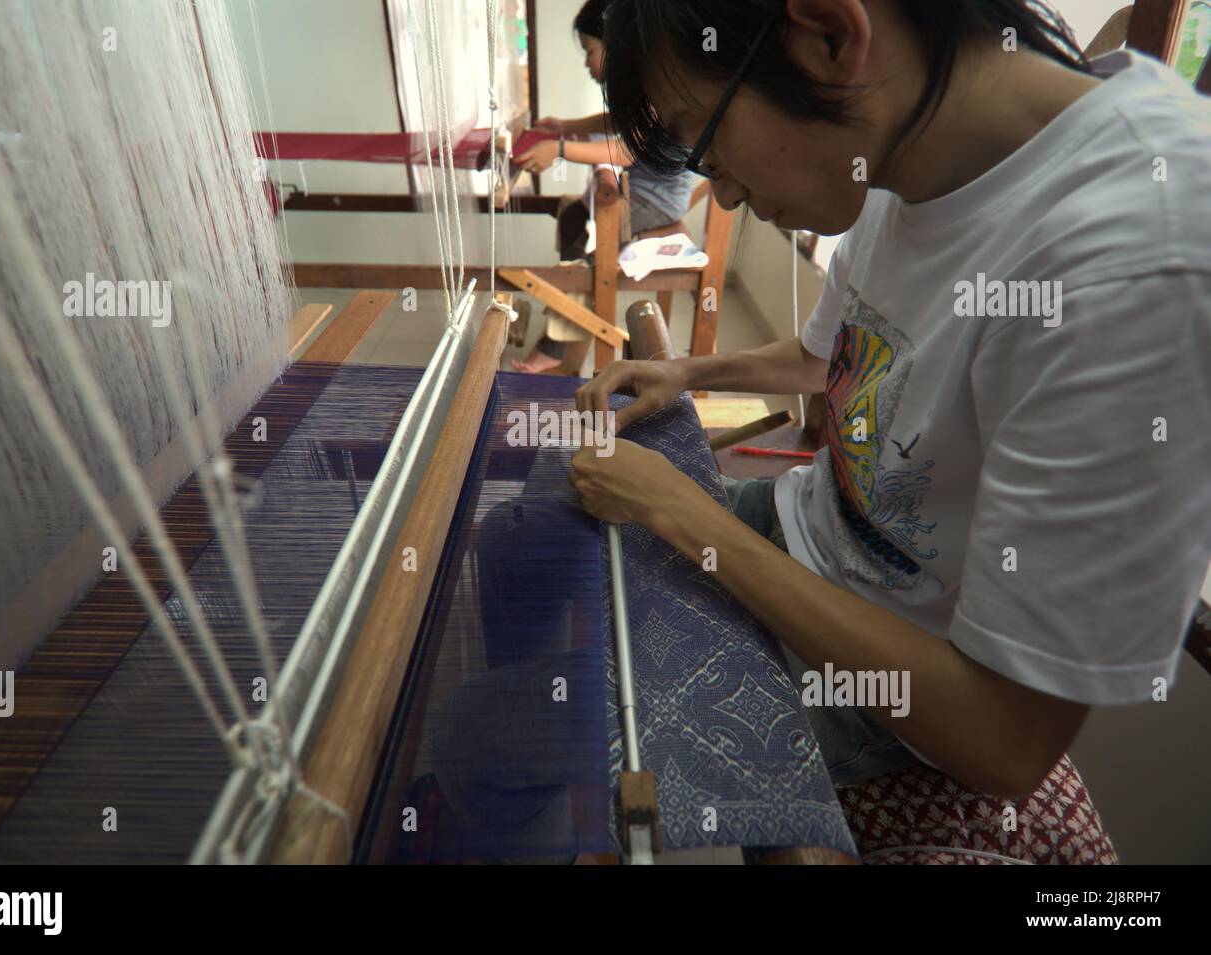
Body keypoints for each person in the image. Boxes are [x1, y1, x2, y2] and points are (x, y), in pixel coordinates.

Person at [568, 0, 1211, 797]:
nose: (723, 196)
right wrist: (689, 374)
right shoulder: (900, 150)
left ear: (828, 36)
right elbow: (823, 357)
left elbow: (1000, 738)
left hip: (883, 679)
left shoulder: (1136, 258)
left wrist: (681, 512)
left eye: (707, 139)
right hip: (805, 527)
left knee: (563, 746)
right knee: (552, 544)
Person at [510, 0, 699, 374]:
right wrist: (565, 127)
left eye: (590, 51)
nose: (586, 61)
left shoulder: (654, 86)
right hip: (641, 188)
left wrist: (559, 149)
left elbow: (624, 151)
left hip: (656, 199)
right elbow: (615, 122)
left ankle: (554, 347)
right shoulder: (636, 86)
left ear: (617, 45)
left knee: (588, 253)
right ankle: (574, 307)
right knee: (572, 217)